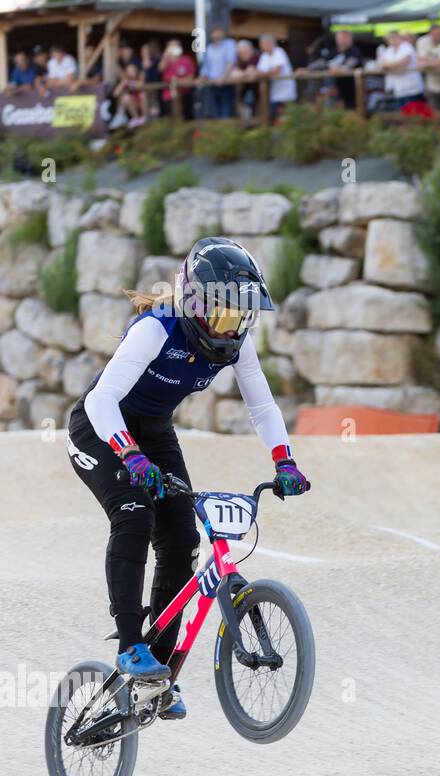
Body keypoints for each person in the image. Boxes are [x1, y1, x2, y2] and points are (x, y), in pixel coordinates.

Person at [66, 238, 310, 719]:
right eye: (224, 315)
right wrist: (129, 455)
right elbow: (100, 402)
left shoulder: (235, 344)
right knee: (134, 514)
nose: (233, 328)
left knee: (181, 539)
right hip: (100, 431)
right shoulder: (156, 330)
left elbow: (261, 405)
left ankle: (157, 672)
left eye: (242, 317)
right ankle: (132, 645)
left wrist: (285, 460)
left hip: (152, 434)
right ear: (196, 305)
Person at [378, 30, 423, 110]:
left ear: (399, 37)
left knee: (413, 112)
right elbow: (382, 64)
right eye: (389, 39)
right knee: (401, 113)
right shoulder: (388, 50)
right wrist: (394, 65)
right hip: (397, 89)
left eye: (394, 38)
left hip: (411, 88)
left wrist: (389, 65)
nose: (392, 40)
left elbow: (404, 62)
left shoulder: (407, 47)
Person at [200, 27, 238, 118]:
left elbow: (231, 62)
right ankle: (218, 129)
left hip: (227, 82)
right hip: (212, 83)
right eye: (214, 32)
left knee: (226, 107)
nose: (216, 34)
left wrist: (224, 78)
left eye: (218, 32)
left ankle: (225, 129)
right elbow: (206, 66)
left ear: (223, 33)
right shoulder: (209, 48)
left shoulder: (229, 44)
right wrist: (202, 77)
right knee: (215, 108)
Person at [256, 34, 297, 118]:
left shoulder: (279, 51)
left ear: (272, 43)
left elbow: (277, 70)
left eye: (266, 44)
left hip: (286, 91)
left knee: (288, 115)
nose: (265, 46)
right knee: (275, 115)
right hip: (275, 92)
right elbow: (258, 72)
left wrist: (265, 74)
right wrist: (265, 73)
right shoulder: (264, 56)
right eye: (263, 44)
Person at [417, 24, 440, 110]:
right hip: (431, 85)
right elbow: (421, 61)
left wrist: (427, 62)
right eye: (436, 34)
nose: (439, 36)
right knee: (434, 112)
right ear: (430, 34)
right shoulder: (422, 41)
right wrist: (439, 62)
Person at [326, 30, 365, 110]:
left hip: (352, 89)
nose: (343, 40)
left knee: (352, 110)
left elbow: (352, 62)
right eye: (341, 38)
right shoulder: (332, 51)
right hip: (335, 89)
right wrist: (307, 69)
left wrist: (341, 69)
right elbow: (324, 63)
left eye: (346, 37)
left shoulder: (355, 50)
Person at [160, 39, 196, 119]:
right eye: (172, 46)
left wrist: (178, 81)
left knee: (186, 118)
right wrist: (165, 55)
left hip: (185, 95)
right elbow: (161, 69)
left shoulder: (186, 59)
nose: (175, 48)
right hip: (168, 96)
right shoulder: (166, 60)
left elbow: (191, 76)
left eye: (176, 45)